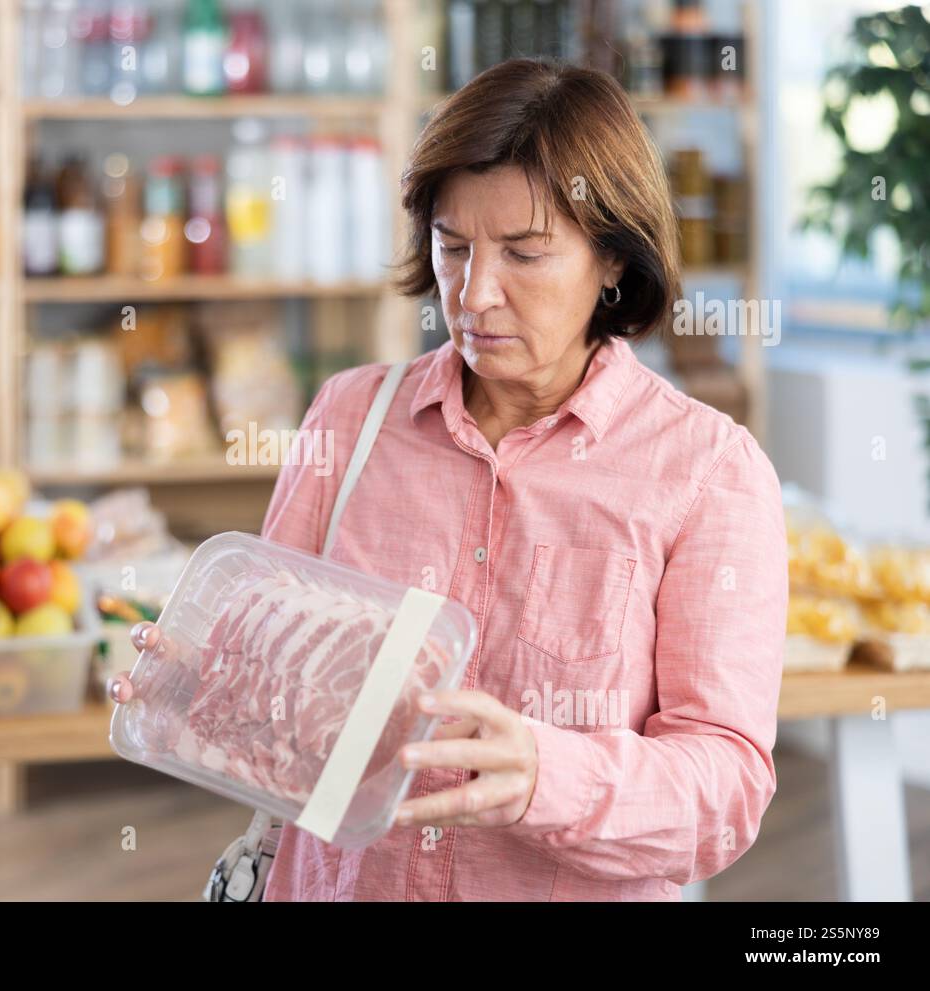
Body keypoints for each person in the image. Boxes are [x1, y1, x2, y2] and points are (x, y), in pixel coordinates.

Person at [110, 58, 787, 901]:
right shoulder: (349, 419)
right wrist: (198, 688)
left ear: (614, 260)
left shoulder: (706, 472)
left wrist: (548, 774)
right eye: (453, 247)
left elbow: (724, 787)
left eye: (525, 253)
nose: (475, 293)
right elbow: (273, 700)